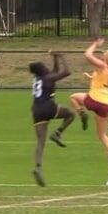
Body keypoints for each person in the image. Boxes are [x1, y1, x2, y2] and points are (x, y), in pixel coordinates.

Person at [69, 38, 108, 180]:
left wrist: (94, 45)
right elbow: (107, 85)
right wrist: (90, 78)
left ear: (107, 58)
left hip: (93, 99)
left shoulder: (102, 65)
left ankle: (82, 113)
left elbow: (87, 55)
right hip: (105, 104)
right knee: (102, 135)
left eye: (104, 53)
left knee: (74, 98)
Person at [29, 52, 76, 187]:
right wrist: (61, 57)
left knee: (40, 142)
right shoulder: (47, 78)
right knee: (70, 115)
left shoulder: (38, 79)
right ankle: (58, 133)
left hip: (36, 111)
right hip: (48, 107)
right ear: (42, 69)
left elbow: (54, 72)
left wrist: (54, 58)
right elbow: (67, 72)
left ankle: (37, 166)